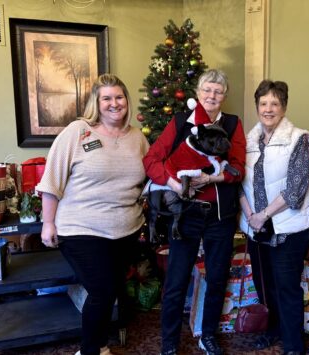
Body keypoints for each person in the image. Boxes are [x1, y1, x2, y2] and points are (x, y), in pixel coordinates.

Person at [37, 74, 150, 355]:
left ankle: (99, 347)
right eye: (107, 98)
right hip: (81, 229)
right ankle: (89, 350)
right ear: (96, 104)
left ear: (127, 100)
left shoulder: (137, 138)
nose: (114, 104)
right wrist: (48, 222)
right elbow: (52, 179)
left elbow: (150, 178)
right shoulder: (79, 131)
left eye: (119, 97)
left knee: (109, 292)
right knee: (101, 292)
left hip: (126, 229)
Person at [143, 69, 246, 355]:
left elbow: (238, 168)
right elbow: (151, 160)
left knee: (216, 278)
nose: (212, 96)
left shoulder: (233, 124)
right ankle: (169, 342)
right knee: (176, 281)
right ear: (198, 93)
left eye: (218, 91)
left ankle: (208, 334)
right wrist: (173, 183)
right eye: (207, 90)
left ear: (224, 95)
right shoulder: (180, 122)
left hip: (219, 215)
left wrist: (213, 179)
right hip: (184, 215)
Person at [239, 80, 309, 355]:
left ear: (283, 108)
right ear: (257, 106)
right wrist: (250, 215)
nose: (268, 109)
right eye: (263, 103)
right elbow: (238, 179)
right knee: (265, 285)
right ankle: (273, 330)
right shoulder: (248, 139)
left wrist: (264, 215)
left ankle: (294, 345)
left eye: (274, 103)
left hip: (288, 227)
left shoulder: (299, 138)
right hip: (255, 226)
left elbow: (295, 189)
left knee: (286, 288)